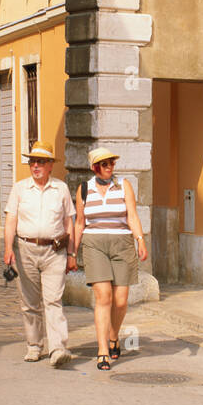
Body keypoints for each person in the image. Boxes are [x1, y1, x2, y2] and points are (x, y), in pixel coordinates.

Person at [74, 146, 148, 370]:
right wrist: (71, 252)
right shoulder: (84, 189)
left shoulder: (124, 186)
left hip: (122, 243)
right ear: (95, 167)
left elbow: (132, 215)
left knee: (121, 300)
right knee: (103, 296)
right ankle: (103, 350)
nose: (109, 167)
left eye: (112, 163)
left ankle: (114, 334)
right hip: (94, 243)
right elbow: (79, 222)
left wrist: (140, 240)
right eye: (105, 164)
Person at [3, 143, 76, 368]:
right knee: (29, 302)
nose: (35, 166)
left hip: (55, 251)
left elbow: (68, 222)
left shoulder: (61, 189)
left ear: (50, 165)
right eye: (32, 162)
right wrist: (8, 248)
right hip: (25, 249)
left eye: (41, 162)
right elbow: (11, 220)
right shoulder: (20, 188)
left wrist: (72, 253)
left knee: (53, 300)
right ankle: (34, 345)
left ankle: (57, 348)